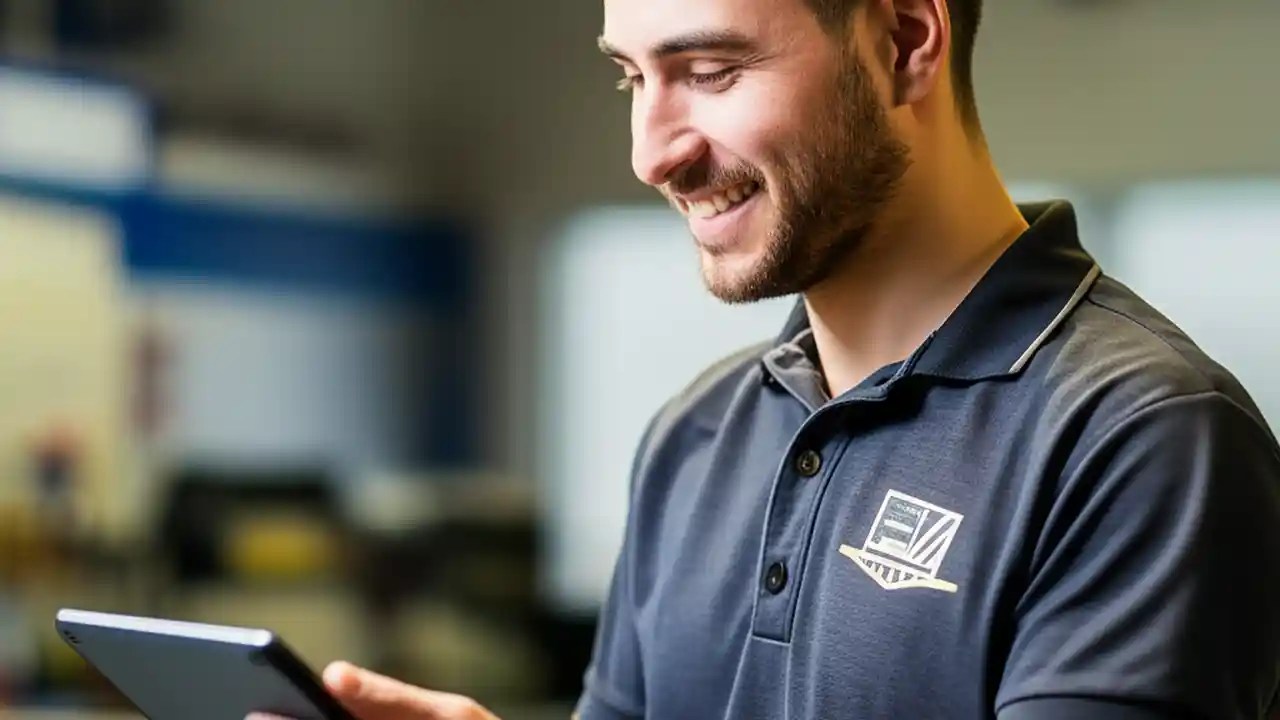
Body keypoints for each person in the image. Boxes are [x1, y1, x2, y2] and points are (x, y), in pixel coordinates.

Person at [254, 0, 1280, 717]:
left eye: (710, 72)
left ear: (903, 41)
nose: (650, 151)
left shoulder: (1141, 436)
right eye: (630, 77)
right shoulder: (696, 435)